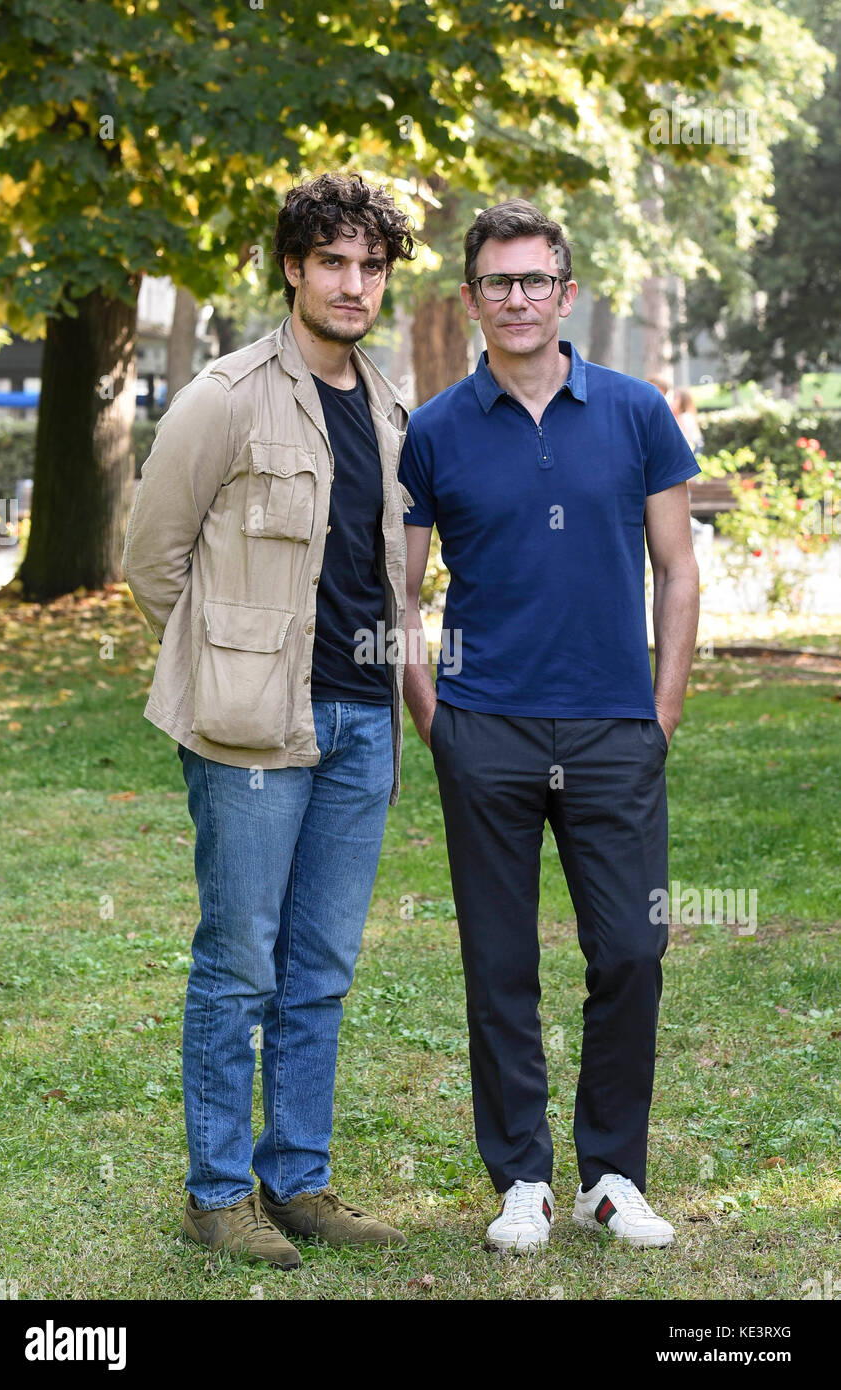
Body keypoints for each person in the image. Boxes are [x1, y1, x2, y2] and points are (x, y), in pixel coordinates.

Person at [122, 173, 415, 1269]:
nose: (351, 283)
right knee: (239, 961)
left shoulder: (387, 405)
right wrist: (227, 667)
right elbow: (153, 561)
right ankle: (215, 1191)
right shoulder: (225, 395)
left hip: (360, 723)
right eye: (331, 261)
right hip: (252, 732)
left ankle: (296, 1180)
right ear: (292, 267)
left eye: (369, 265)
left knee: (322, 965)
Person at [398, 199, 701, 1254]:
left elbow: (677, 569)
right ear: (470, 296)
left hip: (615, 731)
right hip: (484, 730)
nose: (515, 298)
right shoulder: (433, 429)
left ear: (565, 295)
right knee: (498, 959)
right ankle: (519, 1174)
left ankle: (610, 1174)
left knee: (630, 948)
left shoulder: (634, 412)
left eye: (534, 280)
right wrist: (432, 715)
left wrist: (660, 707)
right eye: (495, 281)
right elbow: (401, 596)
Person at [671, 386, 704, 454]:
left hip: (693, 446)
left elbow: (683, 437)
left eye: (675, 399)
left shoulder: (685, 417)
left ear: (683, 401)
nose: (672, 402)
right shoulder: (683, 415)